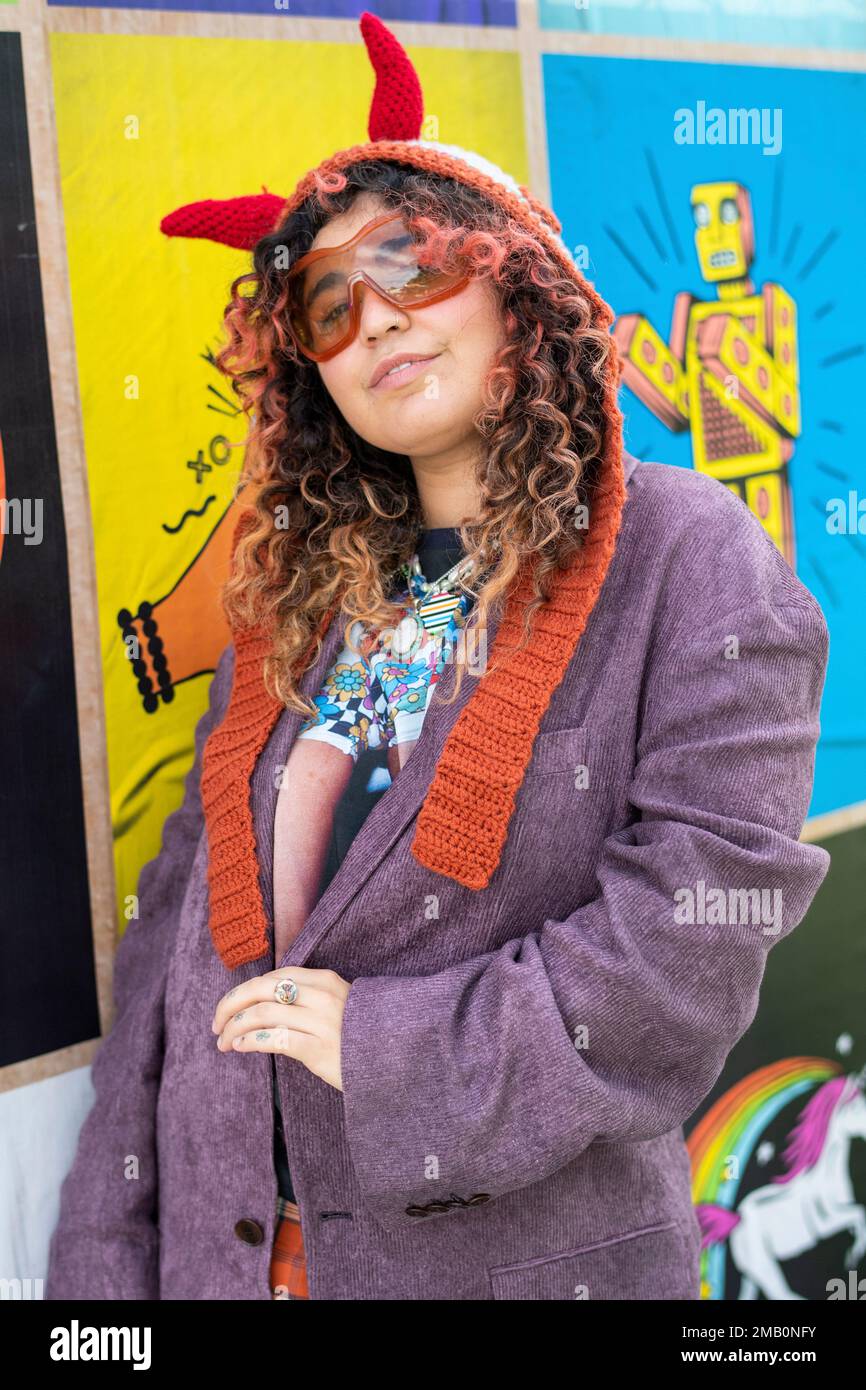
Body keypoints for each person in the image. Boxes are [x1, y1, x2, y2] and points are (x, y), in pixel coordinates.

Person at [45, 14, 830, 1301]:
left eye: (409, 261)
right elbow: (177, 956)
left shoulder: (685, 555)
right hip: (223, 1263)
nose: (375, 321)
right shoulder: (298, 588)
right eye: (327, 304)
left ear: (512, 275)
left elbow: (697, 922)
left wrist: (400, 1047)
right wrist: (99, 1276)